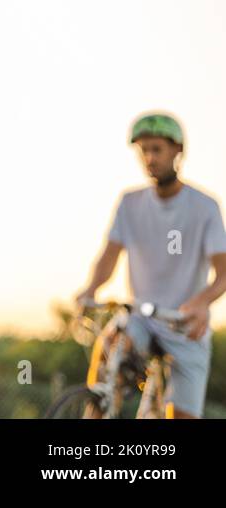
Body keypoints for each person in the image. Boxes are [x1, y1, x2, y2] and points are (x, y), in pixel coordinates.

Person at [76, 112, 226, 418]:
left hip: (185, 325)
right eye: (143, 150)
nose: (149, 157)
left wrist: (201, 303)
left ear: (177, 151)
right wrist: (91, 288)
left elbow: (223, 271)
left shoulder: (204, 207)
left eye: (156, 149)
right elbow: (109, 255)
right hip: (142, 316)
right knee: (109, 349)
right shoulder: (130, 203)